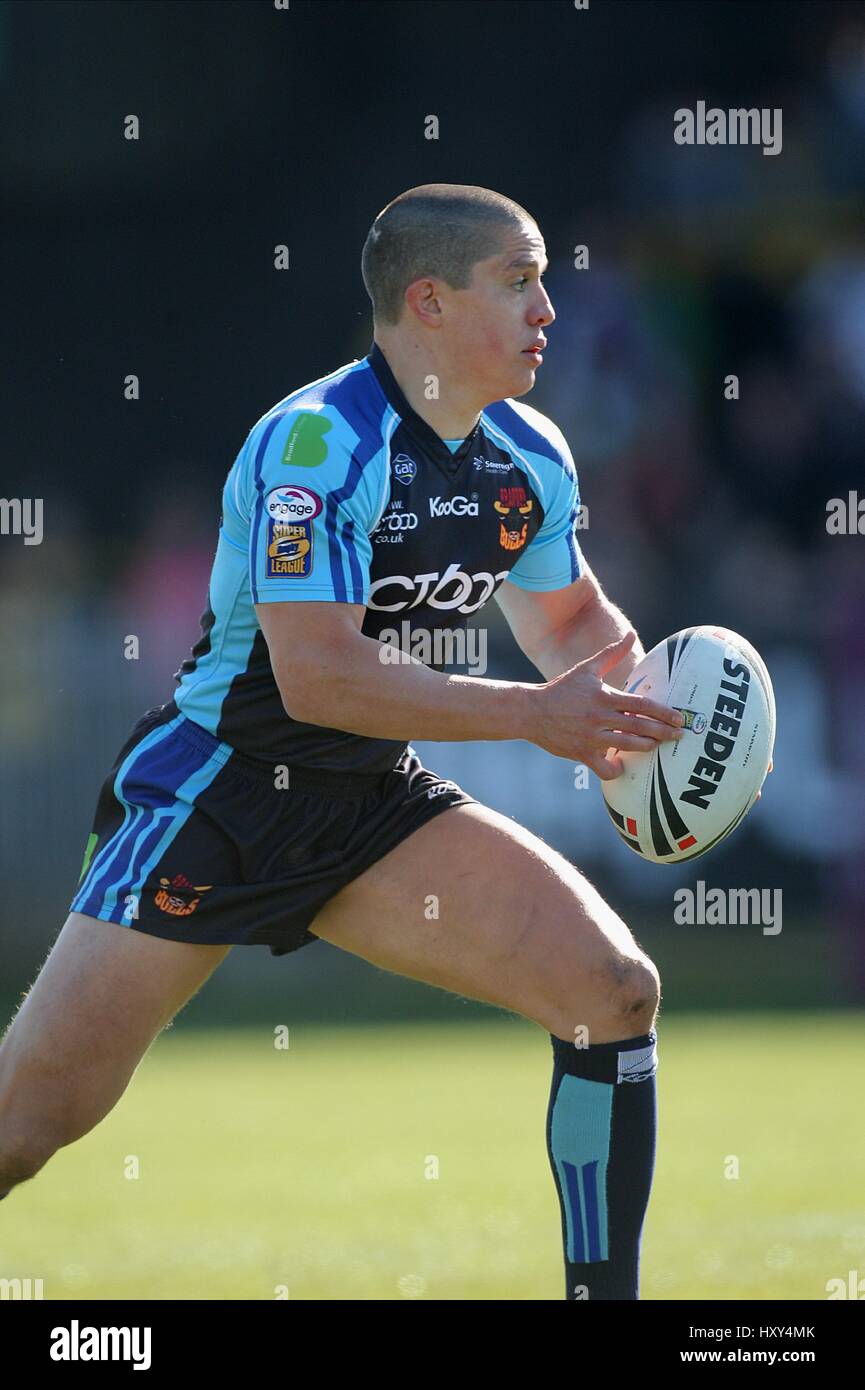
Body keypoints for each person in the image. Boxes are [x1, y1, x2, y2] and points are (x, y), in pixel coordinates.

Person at [0, 183, 689, 1300]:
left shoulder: (530, 455)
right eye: (519, 282)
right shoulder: (317, 442)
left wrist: (661, 709)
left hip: (370, 807)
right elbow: (316, 678)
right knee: (26, 1125)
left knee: (610, 989)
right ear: (429, 300)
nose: (549, 310)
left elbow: (570, 624)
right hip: (213, 800)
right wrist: (533, 716)